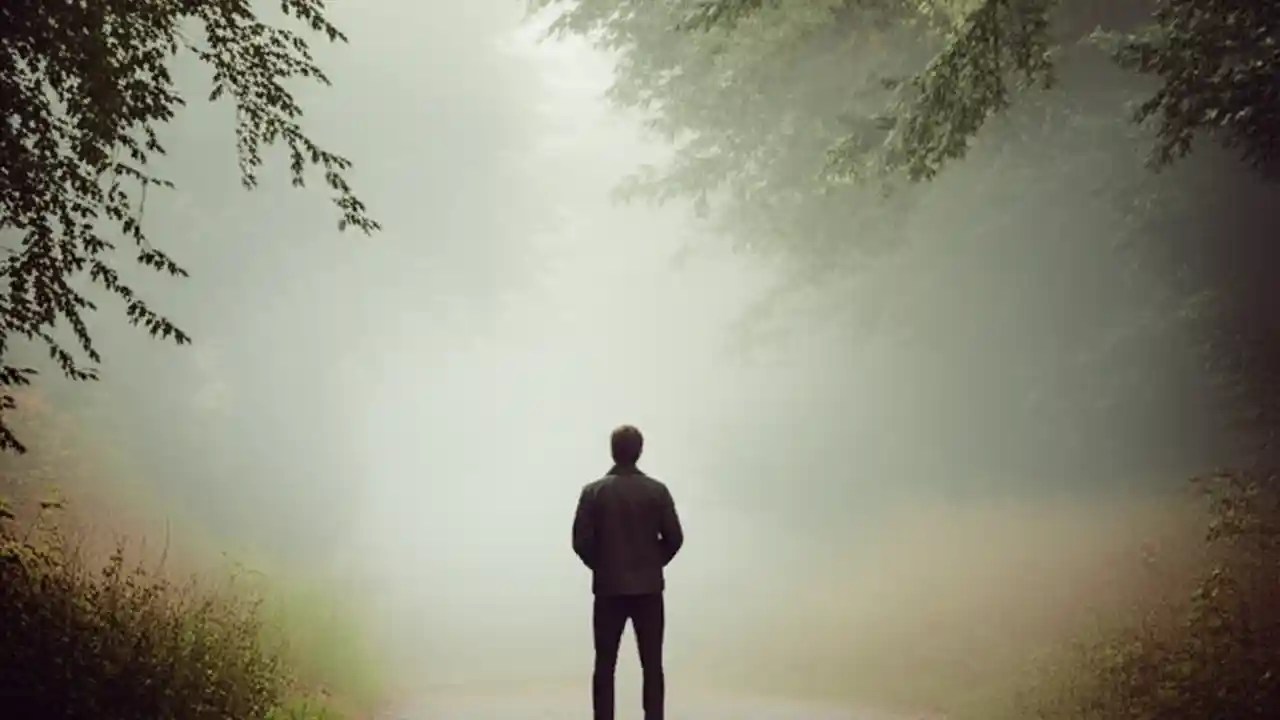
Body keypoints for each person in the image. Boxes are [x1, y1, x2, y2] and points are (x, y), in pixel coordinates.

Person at [572, 425, 684, 720]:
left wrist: (604, 564)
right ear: (640, 450)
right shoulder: (657, 491)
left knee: (605, 665)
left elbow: (580, 542)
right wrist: (652, 562)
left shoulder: (593, 492)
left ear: (612, 451)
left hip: (609, 589)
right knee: (652, 664)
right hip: (648, 589)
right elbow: (675, 538)